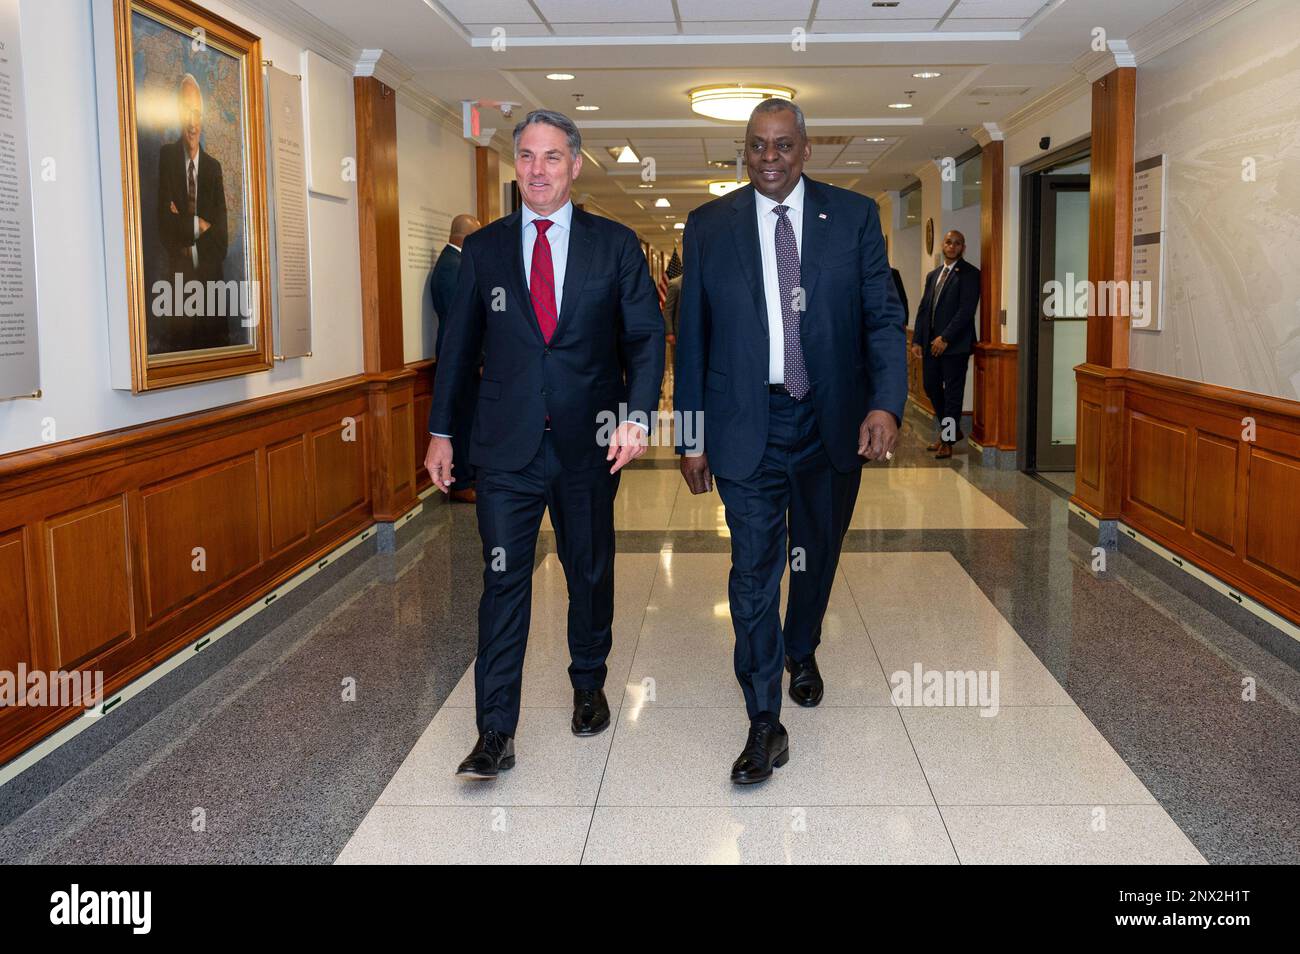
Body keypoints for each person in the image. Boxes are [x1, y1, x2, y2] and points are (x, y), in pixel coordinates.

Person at [425, 109, 664, 779]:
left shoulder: (614, 245)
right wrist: (442, 431)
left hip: (589, 444)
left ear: (575, 165)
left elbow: (644, 337)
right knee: (503, 582)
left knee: (589, 571)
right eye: (526, 156)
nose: (537, 169)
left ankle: (588, 681)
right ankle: (493, 732)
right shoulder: (486, 250)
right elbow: (457, 350)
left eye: (552, 157)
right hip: (505, 449)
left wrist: (637, 416)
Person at [674, 98, 906, 784]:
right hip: (746, 422)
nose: (768, 159)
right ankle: (763, 720)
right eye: (756, 147)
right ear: (743, 154)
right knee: (753, 570)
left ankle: (800, 646)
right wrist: (692, 436)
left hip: (829, 421)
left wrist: (886, 405)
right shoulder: (710, 226)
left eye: (781, 147)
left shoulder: (854, 217)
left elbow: (882, 321)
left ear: (806, 151)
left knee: (815, 556)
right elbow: (691, 342)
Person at [155, 73, 228, 351]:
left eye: (196, 113)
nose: (192, 122)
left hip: (213, 291)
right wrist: (200, 224)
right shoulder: (167, 158)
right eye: (186, 112)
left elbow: (220, 241)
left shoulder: (214, 169)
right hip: (177, 291)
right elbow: (164, 228)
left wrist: (182, 222)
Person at [911, 230, 980, 459]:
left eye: (957, 243)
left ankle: (948, 440)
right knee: (930, 387)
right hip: (931, 345)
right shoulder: (934, 275)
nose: (952, 246)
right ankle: (951, 431)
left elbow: (966, 311)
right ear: (943, 245)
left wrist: (945, 338)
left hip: (955, 346)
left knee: (952, 395)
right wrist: (917, 340)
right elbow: (924, 309)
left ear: (963, 248)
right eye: (949, 242)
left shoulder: (970, 274)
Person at [430, 214, 482, 503]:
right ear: (465, 238)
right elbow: (461, 325)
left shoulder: (456, 263)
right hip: (462, 363)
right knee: (461, 422)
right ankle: (461, 481)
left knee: (469, 419)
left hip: (469, 361)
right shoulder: (452, 268)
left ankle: (468, 475)